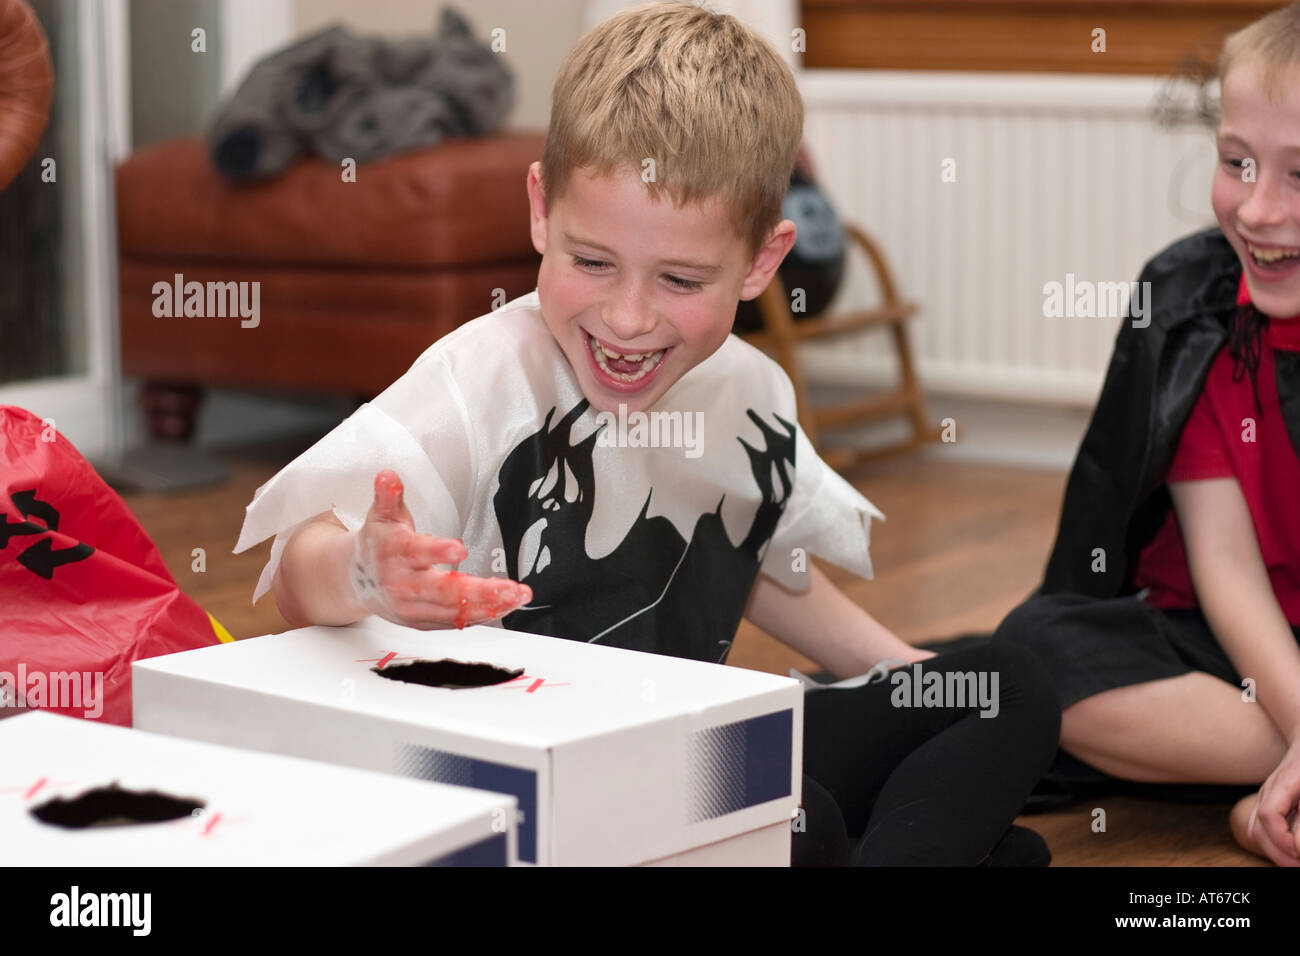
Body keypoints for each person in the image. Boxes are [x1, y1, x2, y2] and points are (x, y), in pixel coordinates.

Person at [235, 0, 1059, 866]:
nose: (627, 320)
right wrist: (365, 571)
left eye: (679, 278)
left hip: (686, 739)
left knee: (1006, 687)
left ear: (762, 263)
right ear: (542, 210)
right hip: (525, 785)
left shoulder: (749, 390)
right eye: (592, 262)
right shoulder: (475, 382)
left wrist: (904, 675)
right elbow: (300, 570)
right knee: (805, 817)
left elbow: (752, 560)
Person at [994, 3, 1300, 867]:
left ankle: (1265, 796)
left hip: (1247, 697)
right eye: (1236, 162)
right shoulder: (1199, 308)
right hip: (1235, 646)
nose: (1259, 208)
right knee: (1036, 651)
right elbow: (1226, 565)